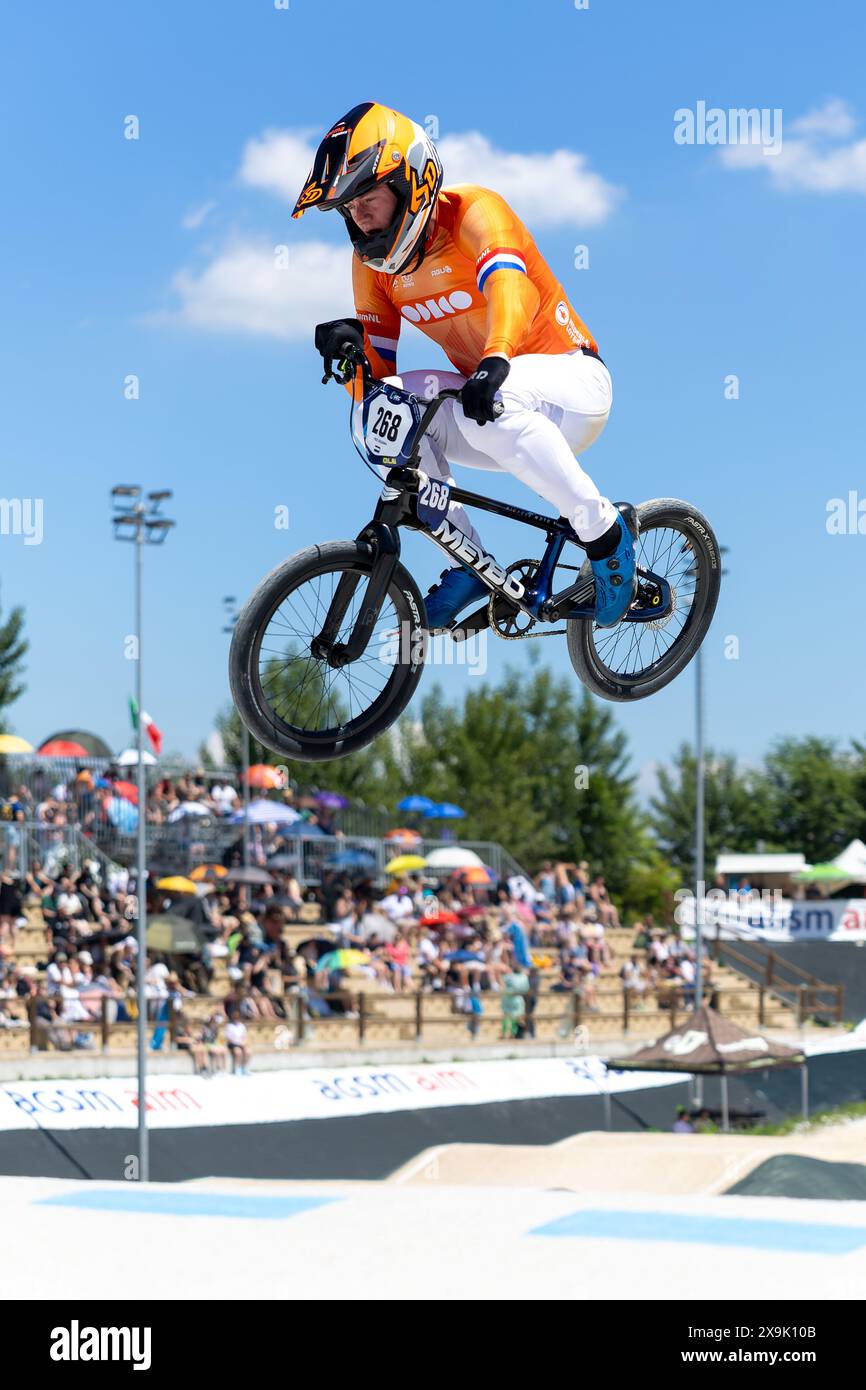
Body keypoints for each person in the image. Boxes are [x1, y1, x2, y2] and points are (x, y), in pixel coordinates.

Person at [296, 102, 636, 631]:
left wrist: (497, 356)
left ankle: (605, 533)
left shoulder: (474, 211)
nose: (357, 216)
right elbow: (379, 384)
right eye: (347, 207)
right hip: (490, 405)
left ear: (411, 182)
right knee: (378, 415)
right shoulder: (373, 267)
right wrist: (352, 360)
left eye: (366, 198)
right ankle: (469, 565)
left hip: (571, 385)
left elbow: (509, 287)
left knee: (496, 400)